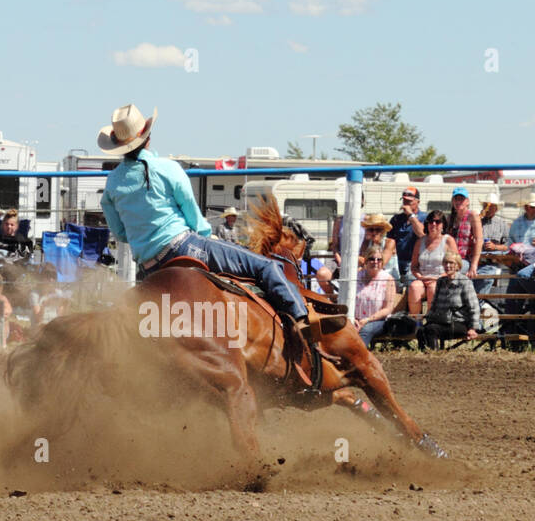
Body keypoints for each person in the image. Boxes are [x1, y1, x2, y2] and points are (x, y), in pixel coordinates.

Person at [96, 103, 311, 355]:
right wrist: (207, 238)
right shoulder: (167, 169)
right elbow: (194, 218)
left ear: (119, 146)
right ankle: (303, 321)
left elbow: (121, 234)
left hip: (149, 267)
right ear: (148, 138)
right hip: (185, 247)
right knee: (266, 266)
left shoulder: (112, 184)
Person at [417, 249, 482, 350]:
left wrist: (473, 328)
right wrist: (428, 319)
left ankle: (434, 356)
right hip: (441, 321)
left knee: (431, 329)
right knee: (421, 330)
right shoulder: (441, 281)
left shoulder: (464, 282)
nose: (447, 265)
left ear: (458, 266)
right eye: (445, 262)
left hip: (460, 323)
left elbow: (474, 307)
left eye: (451, 263)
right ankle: (424, 356)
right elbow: (434, 304)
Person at [407, 210, 458, 314]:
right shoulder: (419, 241)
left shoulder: (448, 240)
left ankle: (431, 322)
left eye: (437, 222)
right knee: (414, 287)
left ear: (443, 225)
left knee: (433, 288)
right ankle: (416, 323)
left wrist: (438, 277)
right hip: (423, 278)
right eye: (430, 221)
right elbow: (414, 266)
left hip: (443, 279)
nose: (433, 224)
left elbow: (456, 265)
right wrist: (420, 277)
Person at [351, 248, 398, 347]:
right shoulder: (356, 277)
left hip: (379, 321)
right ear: (365, 261)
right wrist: (352, 318)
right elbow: (347, 300)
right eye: (372, 259)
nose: (375, 262)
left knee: (366, 330)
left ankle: (358, 357)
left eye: (379, 259)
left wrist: (367, 320)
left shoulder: (388, 279)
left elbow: (388, 309)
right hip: (355, 319)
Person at [388, 186, 426, 290]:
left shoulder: (424, 217)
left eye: (409, 201)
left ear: (418, 201)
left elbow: (422, 234)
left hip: (415, 263)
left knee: (411, 285)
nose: (406, 203)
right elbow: (389, 240)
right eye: (404, 200)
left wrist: (411, 215)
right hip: (397, 261)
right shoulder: (396, 219)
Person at [474, 197, 509, 297]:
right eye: (486, 206)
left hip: (492, 263)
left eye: (491, 206)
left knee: (486, 278)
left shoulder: (502, 224)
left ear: (496, 209)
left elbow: (508, 246)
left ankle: (477, 305)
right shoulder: (476, 221)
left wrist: (495, 247)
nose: (488, 208)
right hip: (475, 261)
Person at [447, 186, 484, 278]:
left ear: (467, 201)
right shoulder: (449, 218)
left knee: (451, 273)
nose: (458, 202)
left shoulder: (473, 215)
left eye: (461, 199)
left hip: (464, 259)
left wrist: (474, 265)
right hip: (449, 259)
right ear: (452, 201)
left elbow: (479, 240)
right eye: (456, 199)